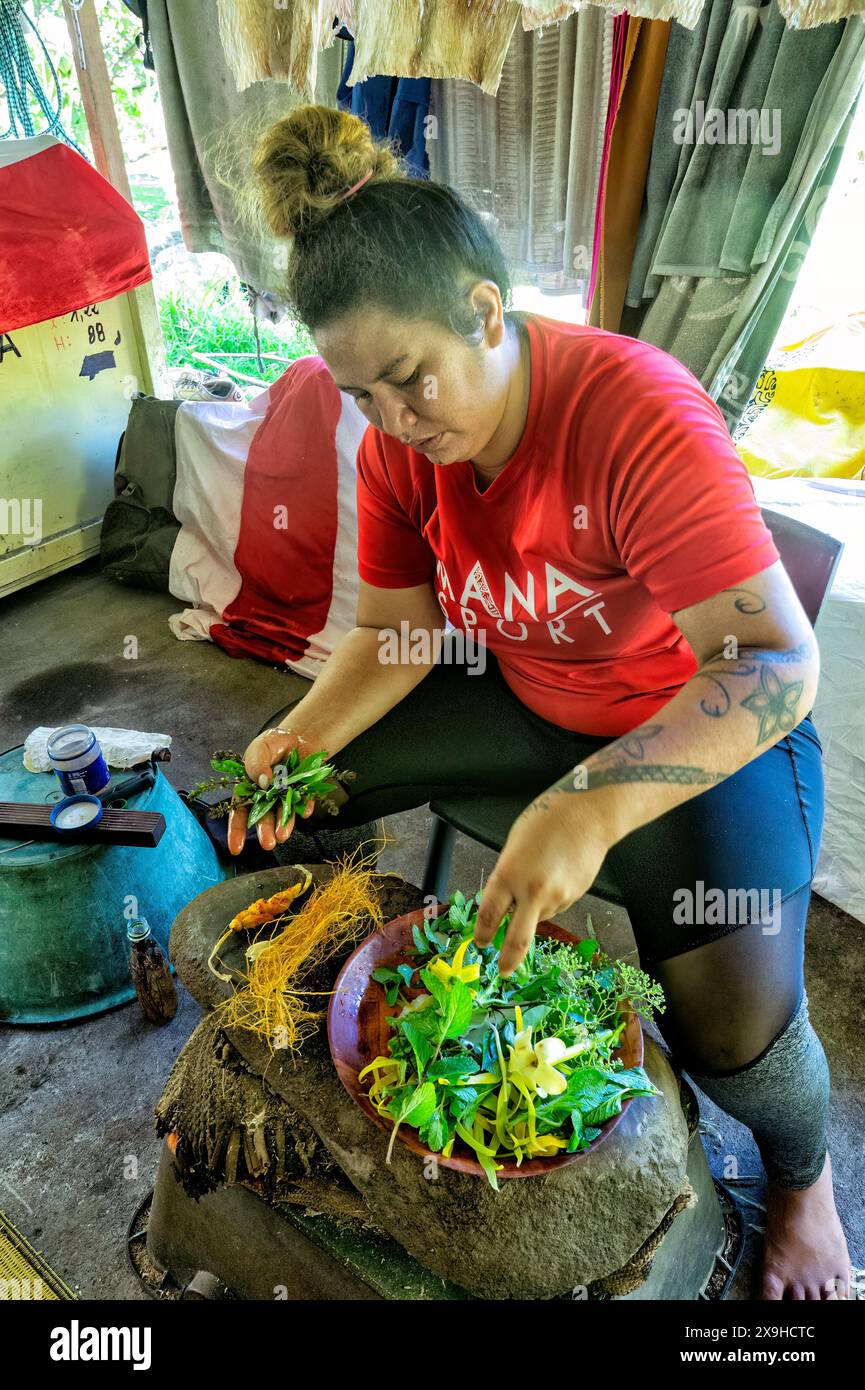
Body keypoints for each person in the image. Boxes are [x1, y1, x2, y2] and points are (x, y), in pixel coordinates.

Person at [226, 104, 851, 1300]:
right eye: (360, 396)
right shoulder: (398, 447)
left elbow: (772, 664)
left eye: (412, 380)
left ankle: (804, 1183)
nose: (398, 424)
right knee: (293, 794)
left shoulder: (635, 417)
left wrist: (590, 803)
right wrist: (298, 734)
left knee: (728, 1027)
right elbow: (395, 632)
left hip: (689, 724)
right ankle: (359, 992)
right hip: (523, 691)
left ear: (483, 309)